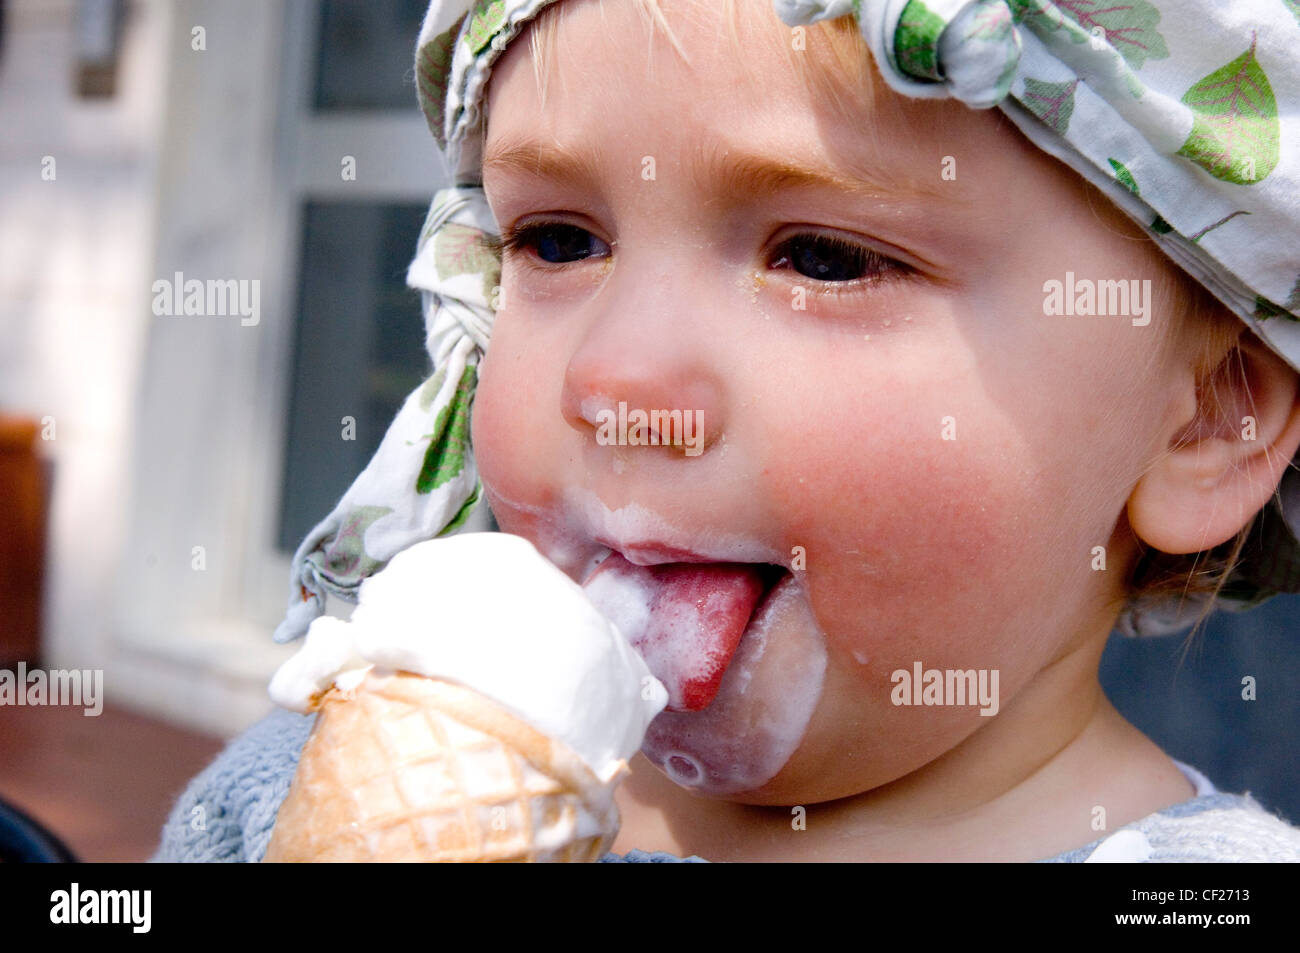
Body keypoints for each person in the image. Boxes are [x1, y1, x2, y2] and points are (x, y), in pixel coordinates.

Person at [153, 0, 1300, 862]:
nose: (615, 378)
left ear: (1209, 418)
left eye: (824, 257)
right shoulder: (302, 789)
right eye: (558, 241)